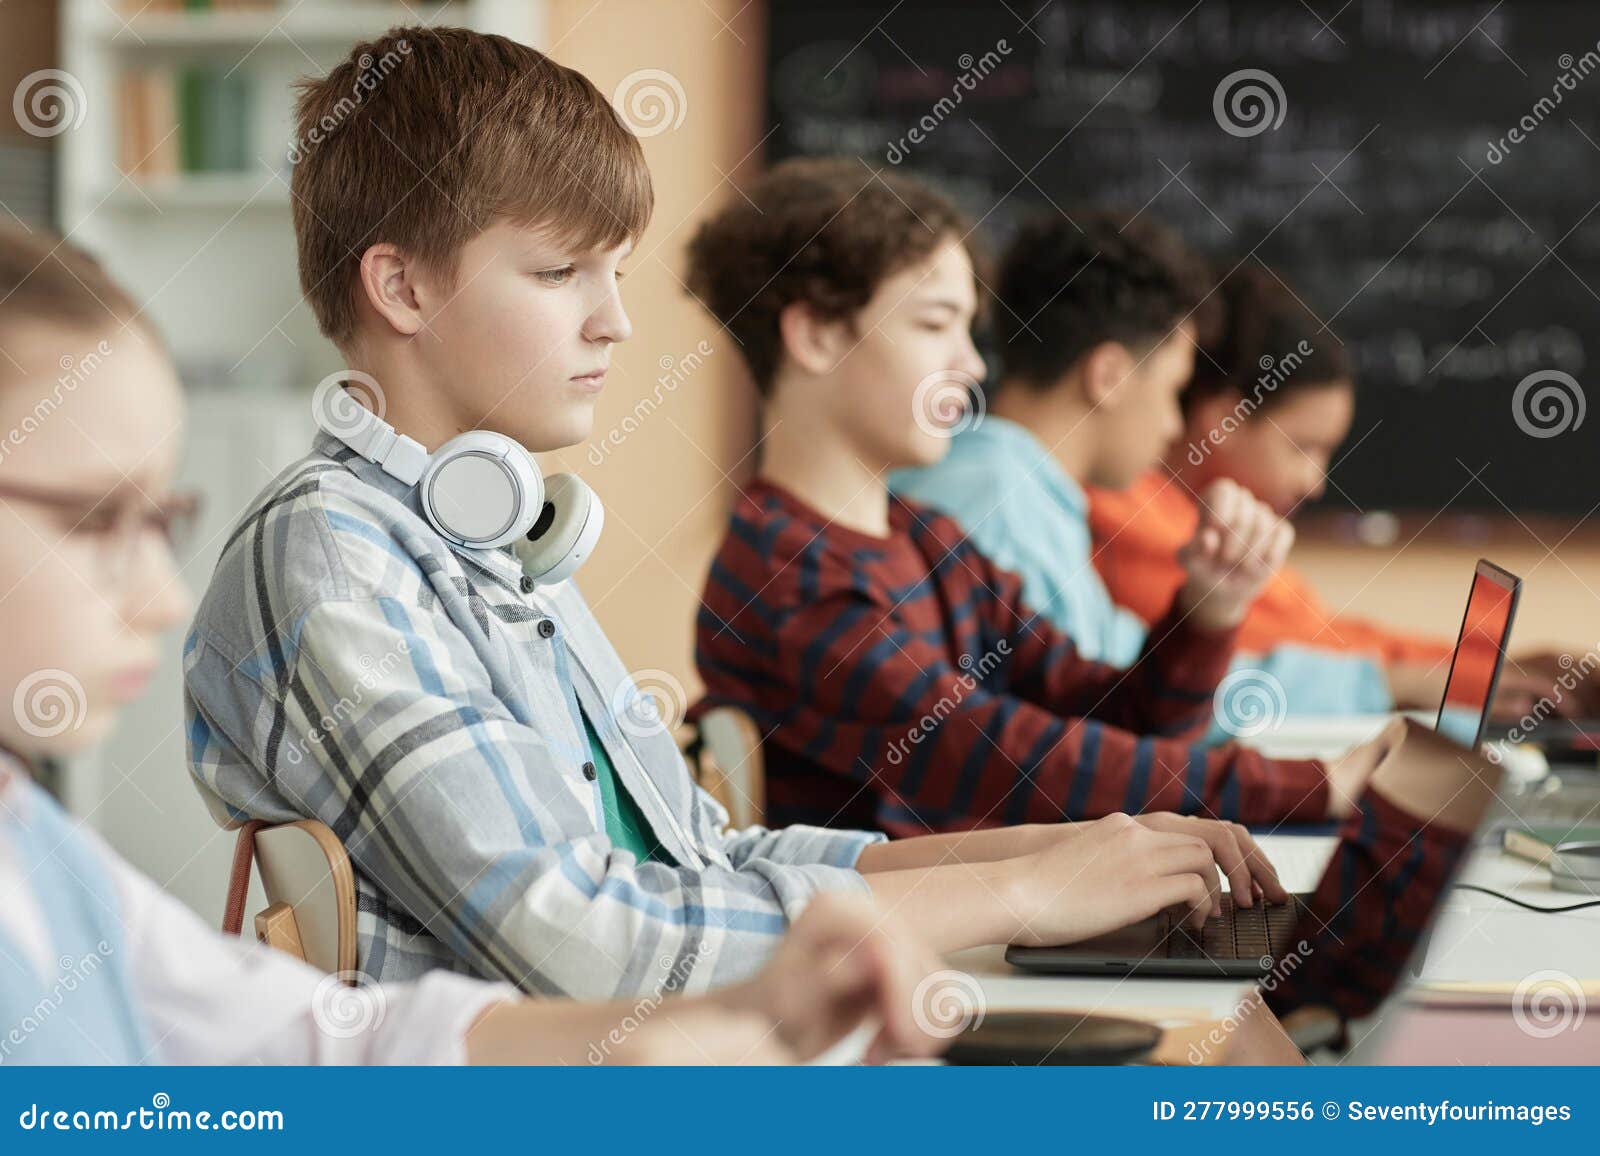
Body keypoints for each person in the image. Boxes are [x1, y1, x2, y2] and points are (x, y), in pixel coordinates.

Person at [182, 28, 1279, 999]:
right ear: (403, 288)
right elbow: (588, 941)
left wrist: (1051, 857)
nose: (614, 322)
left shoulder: (489, 543)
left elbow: (700, 855)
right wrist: (1023, 897)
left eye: (614, 272)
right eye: (562, 270)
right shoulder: (333, 554)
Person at [0, 225, 943, 1066]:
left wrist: (685, 1031)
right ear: (401, 286)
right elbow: (567, 934)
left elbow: (305, 1039)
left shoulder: (39, 849)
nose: (164, 598)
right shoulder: (330, 548)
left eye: (162, 520)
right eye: (93, 519)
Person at [686, 158, 1395, 840]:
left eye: (969, 330)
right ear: (815, 335)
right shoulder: (785, 577)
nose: (970, 364)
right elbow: (1007, 756)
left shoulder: (925, 538)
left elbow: (1106, 715)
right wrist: (1301, 786)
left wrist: (1207, 613)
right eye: (934, 326)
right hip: (911, 955)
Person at [891, 213, 1395, 732]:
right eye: (1175, 392)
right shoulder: (996, 507)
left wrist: (1214, 616)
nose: (1175, 424)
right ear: (1109, 376)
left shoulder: (1029, 497)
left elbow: (1125, 674)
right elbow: (1081, 734)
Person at [1087, 265, 1591, 717]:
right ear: (1222, 417)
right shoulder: (1126, 517)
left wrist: (1488, 663)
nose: (1316, 482)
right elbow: (1278, 653)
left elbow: (1326, 635)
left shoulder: (1198, 522)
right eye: (1303, 447)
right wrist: (1472, 677)